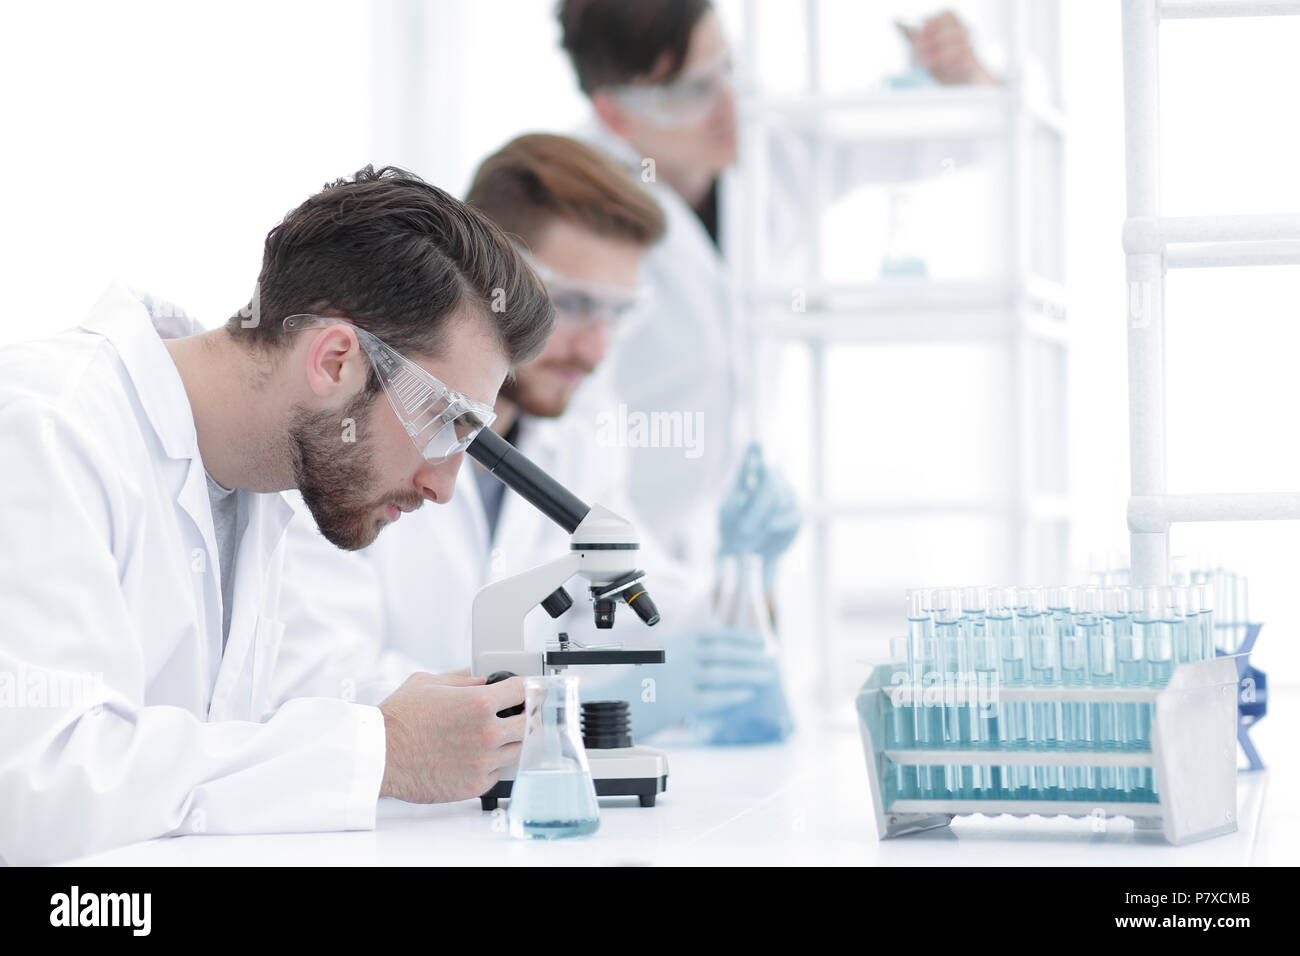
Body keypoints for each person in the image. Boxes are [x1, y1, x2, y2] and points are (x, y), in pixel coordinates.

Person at [0, 165, 554, 866]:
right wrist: (384, 750)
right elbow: (39, 785)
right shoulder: (48, 428)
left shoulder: (261, 483)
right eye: (445, 422)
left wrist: (425, 723)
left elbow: (237, 743)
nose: (446, 486)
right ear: (333, 362)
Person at [273, 134, 781, 738]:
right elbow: (328, 687)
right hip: (390, 820)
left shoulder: (581, 424)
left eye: (619, 312)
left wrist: (747, 575)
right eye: (572, 303)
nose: (596, 349)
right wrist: (563, 716)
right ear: (487, 276)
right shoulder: (341, 433)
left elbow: (630, 609)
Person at [558, 1, 996, 582]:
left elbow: (949, 137)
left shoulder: (775, 147)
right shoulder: (562, 203)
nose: (730, 105)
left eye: (727, 69)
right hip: (616, 550)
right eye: (691, 92)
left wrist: (965, 80)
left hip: (750, 545)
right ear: (613, 113)